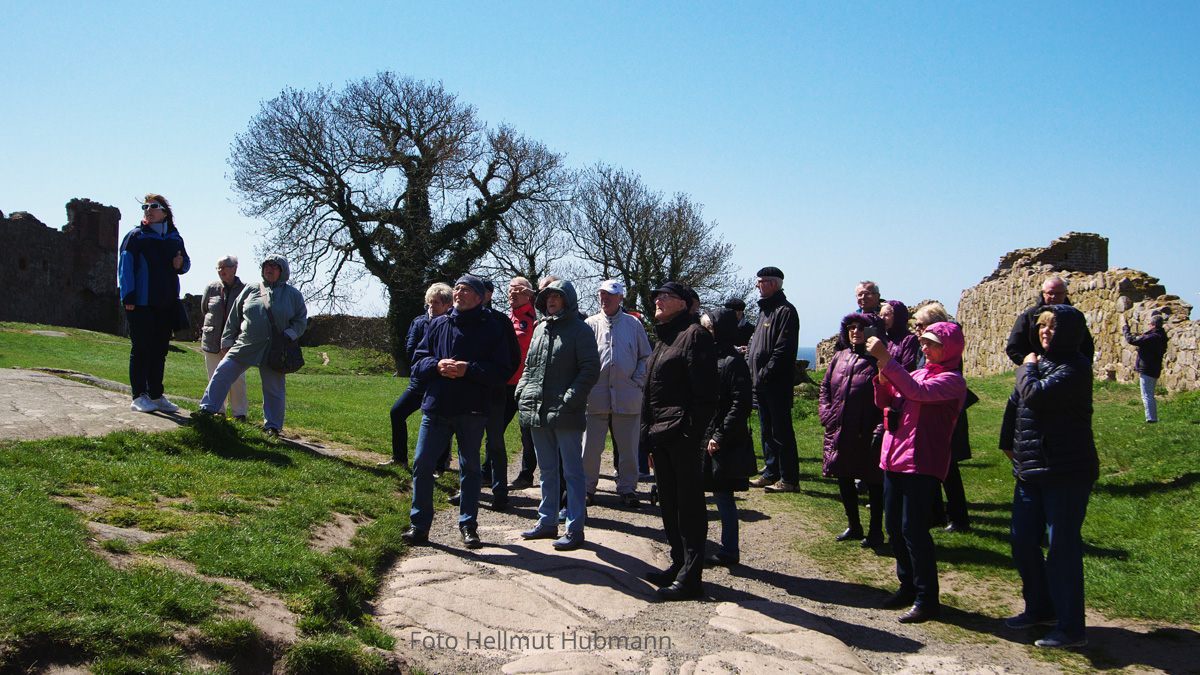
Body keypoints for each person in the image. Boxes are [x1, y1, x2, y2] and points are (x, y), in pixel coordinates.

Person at [999, 305, 1098, 648]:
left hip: (1066, 472)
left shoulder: (1076, 367)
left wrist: (1026, 367)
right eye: (1042, 326)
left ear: (1069, 332)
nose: (1045, 332)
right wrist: (1006, 443)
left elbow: (1034, 395)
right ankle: (1041, 608)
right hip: (1031, 470)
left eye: (1053, 327)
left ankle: (1071, 628)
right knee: (1023, 541)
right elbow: (1016, 404)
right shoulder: (1040, 365)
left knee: (1061, 549)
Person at [867, 322, 967, 624]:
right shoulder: (920, 372)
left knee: (914, 530)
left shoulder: (953, 381)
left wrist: (887, 359)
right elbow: (886, 402)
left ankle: (927, 598)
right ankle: (907, 586)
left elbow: (917, 392)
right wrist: (883, 381)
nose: (925, 349)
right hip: (895, 458)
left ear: (949, 348)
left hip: (923, 461)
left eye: (932, 344)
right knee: (894, 527)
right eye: (923, 343)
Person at [401, 275, 510, 550]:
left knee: (471, 468)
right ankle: (420, 526)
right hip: (436, 406)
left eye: (467, 290)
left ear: (479, 297)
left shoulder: (493, 328)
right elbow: (417, 361)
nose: (459, 293)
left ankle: (468, 527)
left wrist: (468, 369)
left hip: (472, 410)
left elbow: (502, 371)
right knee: (423, 464)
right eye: (457, 289)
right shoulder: (437, 324)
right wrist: (436, 366)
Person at [641, 282, 719, 600]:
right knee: (669, 505)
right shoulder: (664, 337)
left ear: (684, 304)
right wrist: (647, 438)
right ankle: (678, 565)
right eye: (656, 296)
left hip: (681, 438)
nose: (657, 300)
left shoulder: (695, 335)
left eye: (665, 296)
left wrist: (689, 433)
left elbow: (706, 395)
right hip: (659, 437)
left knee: (688, 507)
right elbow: (652, 393)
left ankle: (691, 578)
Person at [515, 280, 600, 551]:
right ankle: (547, 522)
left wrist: (569, 399)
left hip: (566, 413)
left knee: (573, 473)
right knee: (547, 470)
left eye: (557, 297)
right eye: (548, 297)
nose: (551, 301)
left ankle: (575, 528)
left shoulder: (580, 330)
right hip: (538, 411)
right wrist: (522, 392)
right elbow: (529, 367)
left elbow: (589, 370)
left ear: (568, 300)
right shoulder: (540, 329)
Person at [196, 255, 307, 438]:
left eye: (274, 266)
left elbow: (300, 321)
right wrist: (227, 340)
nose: (269, 269)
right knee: (223, 372)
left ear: (283, 271)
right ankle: (207, 410)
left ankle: (272, 427)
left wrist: (288, 336)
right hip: (247, 343)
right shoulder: (251, 289)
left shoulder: (293, 295)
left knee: (274, 388)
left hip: (276, 349)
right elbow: (234, 317)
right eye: (266, 266)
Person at [118, 193, 191, 413]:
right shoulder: (136, 236)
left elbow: (186, 264)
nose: (148, 210)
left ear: (165, 212)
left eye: (153, 206)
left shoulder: (175, 238)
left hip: (166, 303)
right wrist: (128, 296)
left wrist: (181, 264)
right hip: (140, 303)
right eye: (145, 207)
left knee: (160, 350)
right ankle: (139, 396)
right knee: (141, 348)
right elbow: (125, 267)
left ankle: (156, 395)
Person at [820, 313, 887, 548]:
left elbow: (889, 396)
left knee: (874, 481)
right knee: (844, 475)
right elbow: (825, 387)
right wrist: (826, 414)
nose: (855, 332)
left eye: (861, 328)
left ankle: (876, 531)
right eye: (851, 328)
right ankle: (854, 526)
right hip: (840, 428)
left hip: (867, 430)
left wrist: (879, 429)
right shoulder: (840, 356)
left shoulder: (880, 359)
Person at [583, 280, 651, 508]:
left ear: (621, 297)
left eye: (610, 295)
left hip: (627, 395)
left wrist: (637, 381)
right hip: (595, 397)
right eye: (601, 294)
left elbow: (645, 357)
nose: (605, 298)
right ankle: (587, 488)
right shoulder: (590, 324)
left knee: (629, 448)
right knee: (589, 448)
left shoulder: (634, 324)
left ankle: (628, 488)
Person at [700, 308, 756, 567]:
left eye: (707, 327)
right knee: (699, 492)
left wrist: (720, 435)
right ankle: (698, 545)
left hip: (722, 438)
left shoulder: (734, 362)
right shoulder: (708, 355)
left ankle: (729, 550)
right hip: (704, 434)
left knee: (723, 496)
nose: (703, 331)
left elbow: (741, 403)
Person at [379, 283, 452, 468]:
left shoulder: (451, 324)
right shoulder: (419, 322)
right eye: (430, 302)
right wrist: (429, 364)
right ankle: (399, 458)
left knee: (440, 423)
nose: (432, 307)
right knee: (397, 413)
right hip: (419, 382)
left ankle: (440, 466)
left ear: (447, 305)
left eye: (436, 303)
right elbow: (412, 351)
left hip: (440, 383)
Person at [463, 279, 521, 511]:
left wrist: (499, 379)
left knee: (495, 443)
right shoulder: (459, 318)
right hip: (466, 394)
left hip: (494, 393)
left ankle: (500, 492)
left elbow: (513, 358)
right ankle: (468, 491)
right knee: (468, 445)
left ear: (487, 295)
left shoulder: (500, 320)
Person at [746, 266, 800, 493]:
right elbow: (755, 345)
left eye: (761, 281)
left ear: (773, 284)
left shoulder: (785, 311)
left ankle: (789, 479)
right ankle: (771, 472)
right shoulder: (764, 311)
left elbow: (783, 351)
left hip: (775, 384)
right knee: (767, 430)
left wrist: (765, 374)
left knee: (781, 431)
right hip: (760, 384)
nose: (757, 285)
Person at [1006, 276, 1094, 366]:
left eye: (1058, 293)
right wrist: (1033, 364)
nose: (1054, 297)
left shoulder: (1073, 316)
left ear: (1065, 294)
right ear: (1043, 293)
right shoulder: (1030, 315)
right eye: (1050, 293)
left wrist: (1082, 366)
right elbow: (1014, 347)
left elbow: (1086, 346)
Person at [200, 256, 247, 421]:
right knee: (214, 376)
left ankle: (239, 413)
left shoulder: (245, 289)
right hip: (212, 340)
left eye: (225, 267)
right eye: (219, 268)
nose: (222, 271)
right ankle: (217, 411)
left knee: (237, 379)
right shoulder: (211, 288)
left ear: (235, 268)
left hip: (234, 344)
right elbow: (205, 309)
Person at [507, 277, 541, 489]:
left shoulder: (536, 318)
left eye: (518, 290)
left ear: (529, 295)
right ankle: (488, 473)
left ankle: (526, 475)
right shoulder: (506, 318)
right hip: (504, 385)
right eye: (510, 290)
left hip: (527, 385)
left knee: (528, 435)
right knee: (493, 431)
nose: (512, 294)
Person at [1123, 314, 1169, 423]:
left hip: (1147, 368)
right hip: (1155, 368)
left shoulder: (1151, 337)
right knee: (1150, 394)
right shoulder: (1161, 336)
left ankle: (1151, 418)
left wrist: (1125, 328)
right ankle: (1152, 417)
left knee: (1147, 395)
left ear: (1153, 325)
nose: (1148, 326)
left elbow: (1131, 340)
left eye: (1149, 324)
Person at [880, 300, 920, 372]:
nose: (882, 319)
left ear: (898, 316)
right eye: (880, 315)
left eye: (886, 315)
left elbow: (908, 368)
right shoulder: (882, 339)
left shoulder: (909, 340)